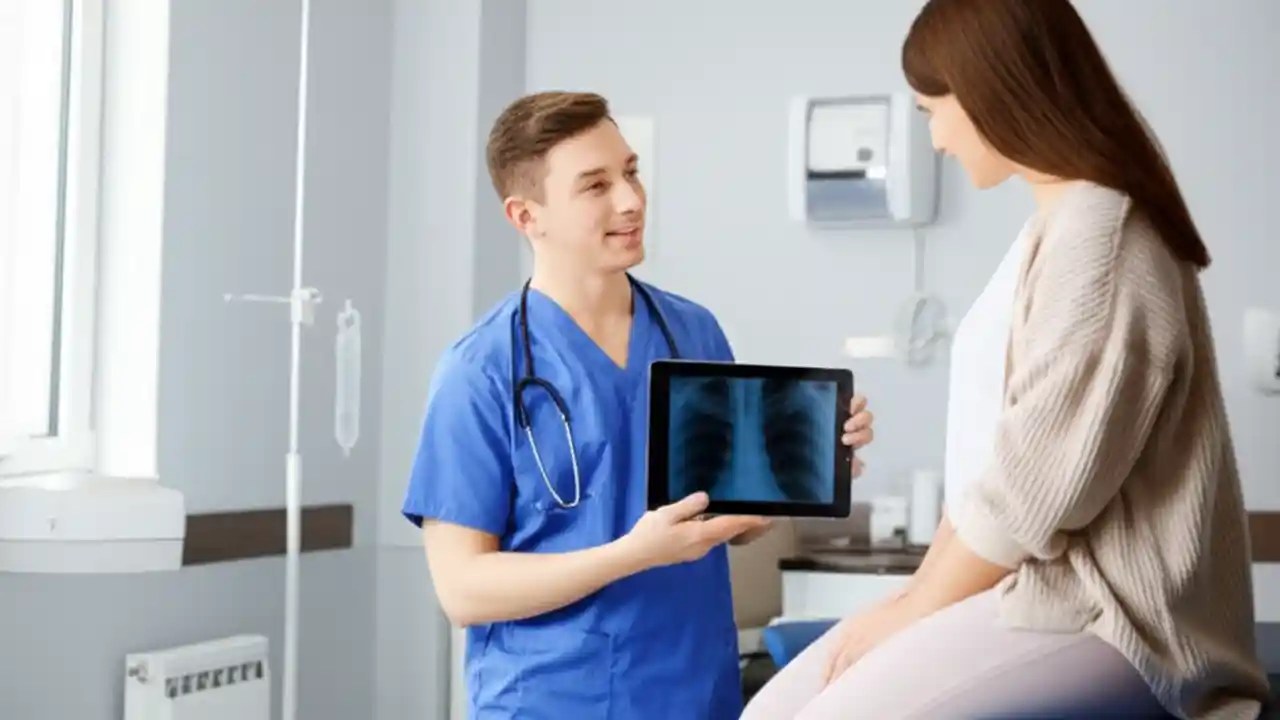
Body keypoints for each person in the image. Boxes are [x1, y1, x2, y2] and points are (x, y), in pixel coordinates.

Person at [742, 1, 1272, 718]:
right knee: (773, 710)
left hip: (1119, 620)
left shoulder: (1101, 241)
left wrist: (910, 611)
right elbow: (1001, 471)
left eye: (933, 109)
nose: (934, 138)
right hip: (1040, 591)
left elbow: (1032, 494)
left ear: (994, 93)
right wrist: (905, 600)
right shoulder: (1053, 230)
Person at [400, 91, 876, 719]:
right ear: (526, 215)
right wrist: (635, 553)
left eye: (630, 172)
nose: (630, 200)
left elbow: (729, 518)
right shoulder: (481, 370)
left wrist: (807, 468)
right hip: (549, 701)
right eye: (595, 185)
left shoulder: (692, 332)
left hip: (693, 692)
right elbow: (462, 590)